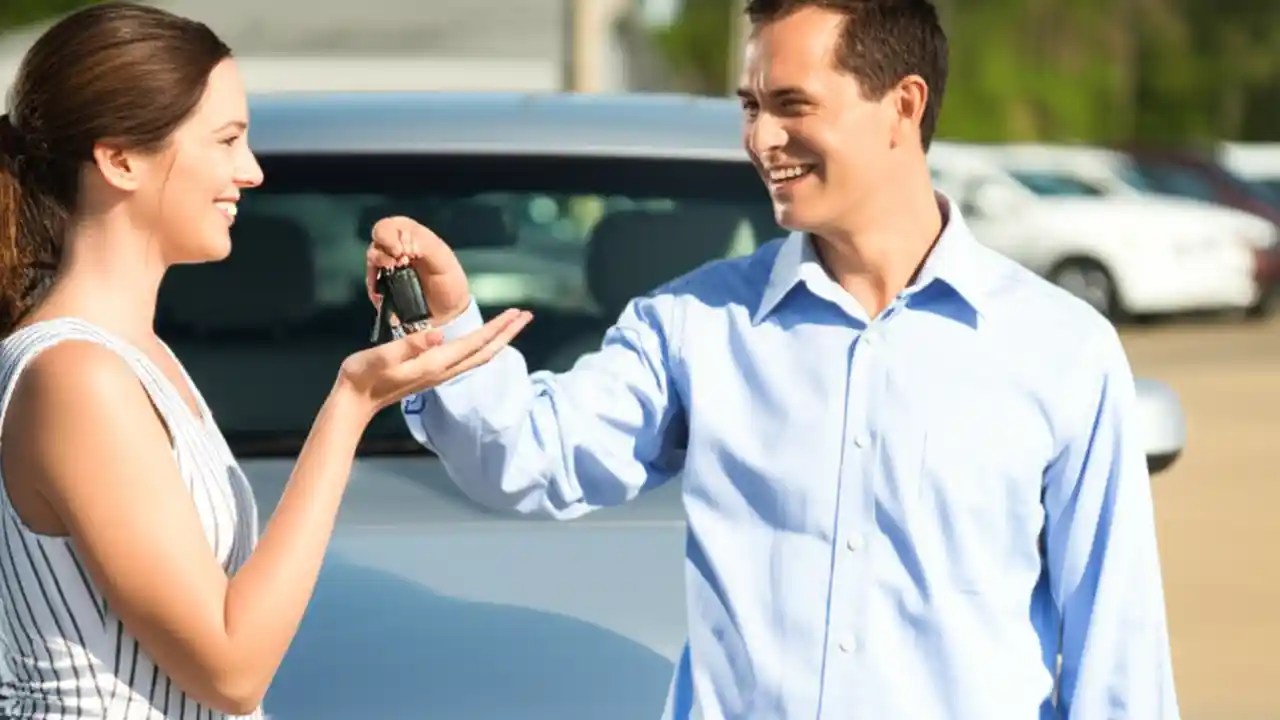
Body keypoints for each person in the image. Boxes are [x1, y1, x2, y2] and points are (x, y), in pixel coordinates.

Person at [366, 0, 1179, 718]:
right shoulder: (692, 325)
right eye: (750, 105)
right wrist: (445, 323)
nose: (760, 138)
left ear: (903, 105)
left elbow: (1118, 650)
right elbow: (525, 457)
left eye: (791, 104)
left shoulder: (1060, 349)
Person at [0, 3, 530, 719]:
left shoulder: (132, 359)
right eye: (226, 141)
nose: (249, 171)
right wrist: (350, 406)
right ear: (119, 158)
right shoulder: (77, 377)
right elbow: (231, 667)